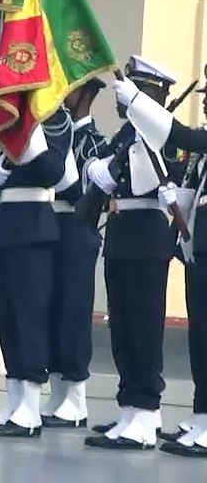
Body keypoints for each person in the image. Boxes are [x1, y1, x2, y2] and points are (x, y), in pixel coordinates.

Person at [86, 57, 183, 449]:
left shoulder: (162, 134)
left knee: (143, 328)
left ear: (153, 94)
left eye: (134, 90)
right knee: (122, 328)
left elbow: (161, 180)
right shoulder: (128, 134)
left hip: (148, 235)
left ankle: (144, 413)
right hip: (123, 234)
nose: (120, 101)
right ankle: (130, 407)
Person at [120, 68, 207, 457]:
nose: (204, 100)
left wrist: (137, 103)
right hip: (201, 246)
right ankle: (202, 418)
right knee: (200, 339)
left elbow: (180, 136)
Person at [40, 78, 108, 427]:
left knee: (73, 312)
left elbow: (89, 192)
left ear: (87, 95)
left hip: (78, 232)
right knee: (51, 311)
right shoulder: (56, 131)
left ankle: (77, 398)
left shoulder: (95, 142)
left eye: (69, 90)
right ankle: (57, 392)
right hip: (52, 226)